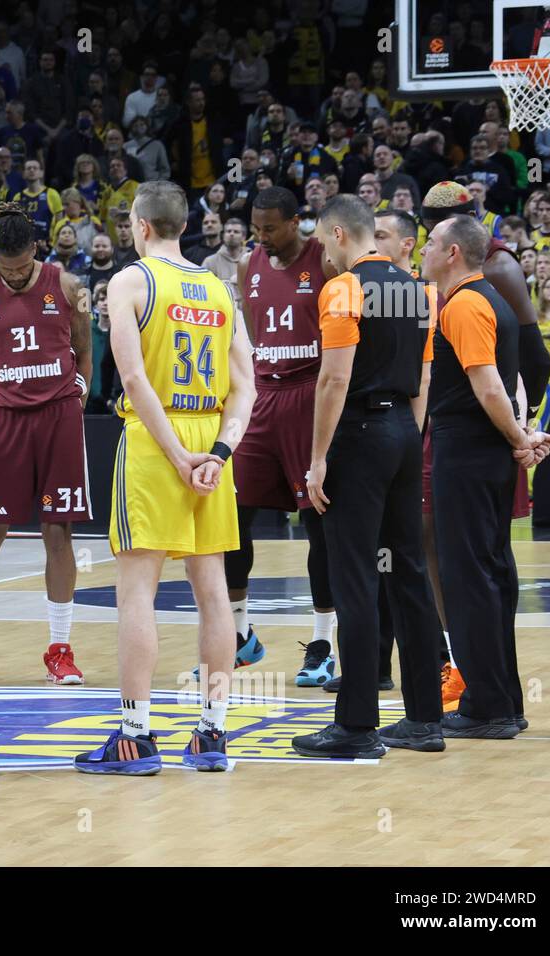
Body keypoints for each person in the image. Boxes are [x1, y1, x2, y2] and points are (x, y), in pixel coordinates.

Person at [74, 180, 256, 775]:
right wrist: (219, 454)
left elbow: (132, 382)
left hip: (158, 445)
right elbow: (246, 386)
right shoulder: (220, 290)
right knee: (214, 595)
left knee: (137, 593)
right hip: (211, 441)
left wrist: (179, 456)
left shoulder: (130, 281)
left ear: (141, 225)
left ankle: (134, 737)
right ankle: (212, 734)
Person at [294, 195, 444, 758]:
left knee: (355, 579)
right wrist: (406, 438)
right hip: (405, 432)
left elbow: (333, 381)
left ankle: (356, 727)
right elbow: (424, 381)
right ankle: (426, 720)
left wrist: (317, 458)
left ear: (339, 235)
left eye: (320, 240)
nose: (321, 255)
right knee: (408, 574)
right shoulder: (419, 290)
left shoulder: (343, 289)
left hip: (358, 435)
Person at [420, 215, 550, 740]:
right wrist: (520, 434)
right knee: (492, 574)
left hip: (470, 453)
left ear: (453, 253)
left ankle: (486, 707)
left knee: (470, 579)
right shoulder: (488, 300)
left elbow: (489, 387)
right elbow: (510, 383)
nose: (424, 251)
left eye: (431, 244)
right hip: (486, 453)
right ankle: (502, 702)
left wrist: (521, 439)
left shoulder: (468, 304)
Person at [0, 204, 92, 685]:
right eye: (3, 267)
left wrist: (79, 390)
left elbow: (83, 347)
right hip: (7, 419)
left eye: (19, 268)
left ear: (35, 251)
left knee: (58, 531)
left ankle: (59, 649)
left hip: (58, 418)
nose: (11, 277)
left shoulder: (70, 287)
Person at [227, 187, 336, 685]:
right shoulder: (250, 262)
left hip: (310, 392)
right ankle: (239, 635)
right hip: (261, 396)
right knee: (230, 521)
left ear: (297, 222)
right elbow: (251, 335)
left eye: (270, 227)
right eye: (256, 226)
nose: (261, 236)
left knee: (318, 524)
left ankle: (323, 643)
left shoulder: (326, 261)